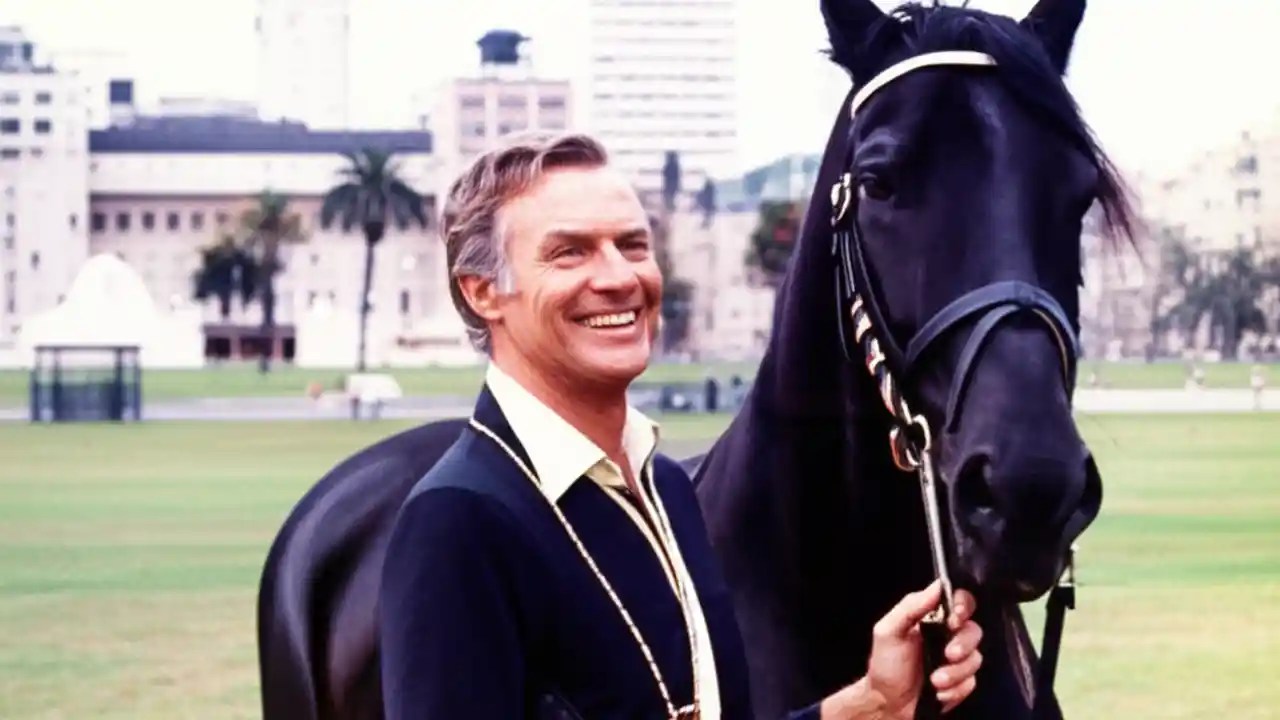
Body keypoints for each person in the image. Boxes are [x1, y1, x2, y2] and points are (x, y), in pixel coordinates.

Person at [378, 132, 984, 719]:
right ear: (484, 292)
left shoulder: (667, 487)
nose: (619, 277)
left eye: (633, 245)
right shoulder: (457, 520)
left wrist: (873, 703)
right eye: (570, 252)